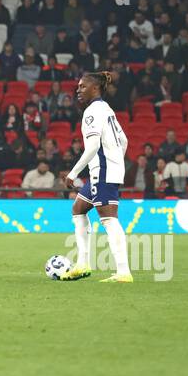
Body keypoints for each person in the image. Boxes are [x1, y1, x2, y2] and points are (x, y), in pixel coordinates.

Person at [58, 71, 133, 282]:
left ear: (95, 88)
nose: (78, 90)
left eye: (83, 86)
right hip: (105, 169)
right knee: (78, 208)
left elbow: (92, 146)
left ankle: (123, 272)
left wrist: (73, 174)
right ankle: (82, 264)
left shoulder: (92, 111)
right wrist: (116, 161)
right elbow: (124, 140)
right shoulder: (107, 110)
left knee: (108, 219)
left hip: (103, 170)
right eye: (78, 86)